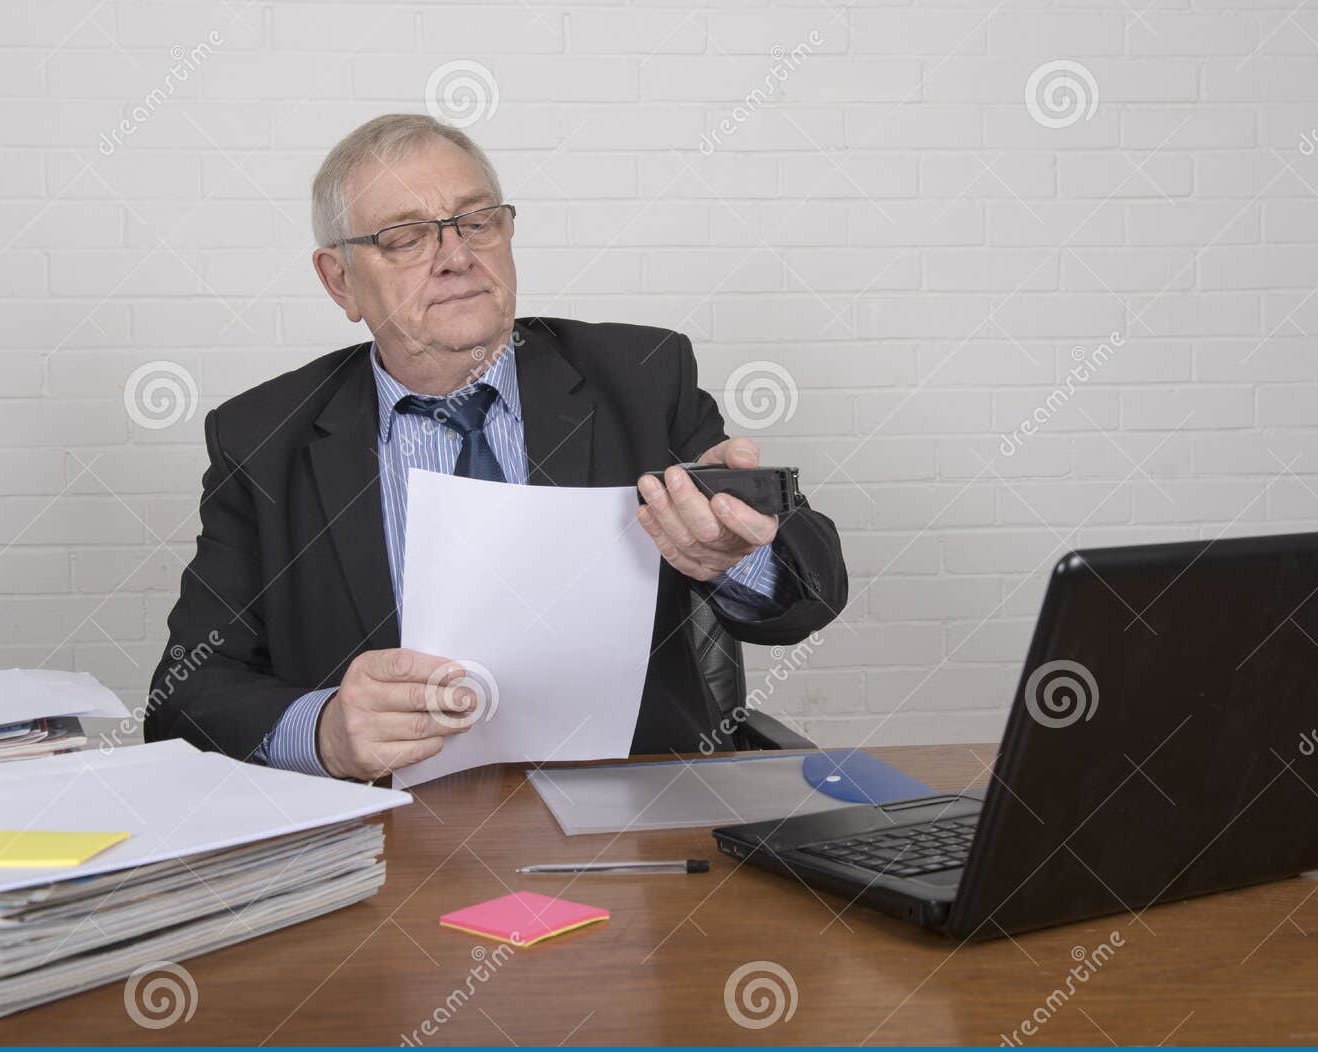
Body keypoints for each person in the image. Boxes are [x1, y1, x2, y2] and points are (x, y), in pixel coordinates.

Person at [144, 113, 848, 781]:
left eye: (477, 221)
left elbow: (814, 585)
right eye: (406, 237)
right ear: (340, 280)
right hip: (389, 838)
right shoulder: (262, 440)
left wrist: (739, 556)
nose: (456, 256)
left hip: (633, 819)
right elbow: (187, 697)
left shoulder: (642, 378)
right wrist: (327, 730)